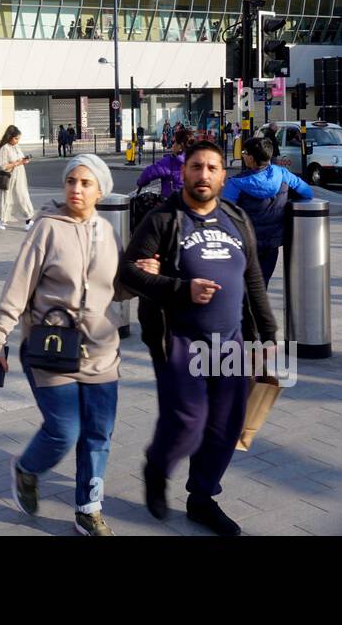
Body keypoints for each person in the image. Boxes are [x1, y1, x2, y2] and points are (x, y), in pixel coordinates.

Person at [118, 140, 278, 536]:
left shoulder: (237, 218)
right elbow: (128, 275)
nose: (203, 174)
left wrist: (270, 335)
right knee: (187, 420)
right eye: (196, 166)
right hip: (179, 340)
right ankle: (157, 468)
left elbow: (253, 280)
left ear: (224, 175)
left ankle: (202, 498)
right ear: (183, 171)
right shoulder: (162, 219)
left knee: (227, 425)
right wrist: (180, 289)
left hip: (231, 342)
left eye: (212, 167)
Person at [0, 154, 144, 536]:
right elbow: (17, 288)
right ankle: (26, 469)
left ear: (100, 190)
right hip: (51, 348)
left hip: (101, 352)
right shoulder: (46, 229)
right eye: (71, 181)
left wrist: (142, 277)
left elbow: (116, 290)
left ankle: (88, 508)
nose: (76, 189)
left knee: (99, 434)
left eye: (85, 183)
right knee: (64, 431)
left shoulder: (108, 232)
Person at [221, 136, 314, 285]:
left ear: (251, 158)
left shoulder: (236, 183)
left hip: (246, 245)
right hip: (272, 243)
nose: (243, 154)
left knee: (241, 287)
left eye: (244, 152)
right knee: (261, 285)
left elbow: (224, 211)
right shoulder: (283, 174)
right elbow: (308, 193)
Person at [0, 125, 35, 231]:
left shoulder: (16, 146)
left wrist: (24, 161)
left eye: (18, 138)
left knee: (23, 197)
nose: (17, 141)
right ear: (9, 137)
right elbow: (2, 166)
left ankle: (28, 220)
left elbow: (19, 159)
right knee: (6, 199)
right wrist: (17, 163)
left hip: (19, 177)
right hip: (8, 178)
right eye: (16, 138)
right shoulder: (4, 149)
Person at [136, 133, 190, 199]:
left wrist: (140, 182)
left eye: (173, 142)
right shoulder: (196, 161)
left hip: (171, 203)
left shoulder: (170, 162)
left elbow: (148, 173)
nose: (172, 145)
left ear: (180, 146)